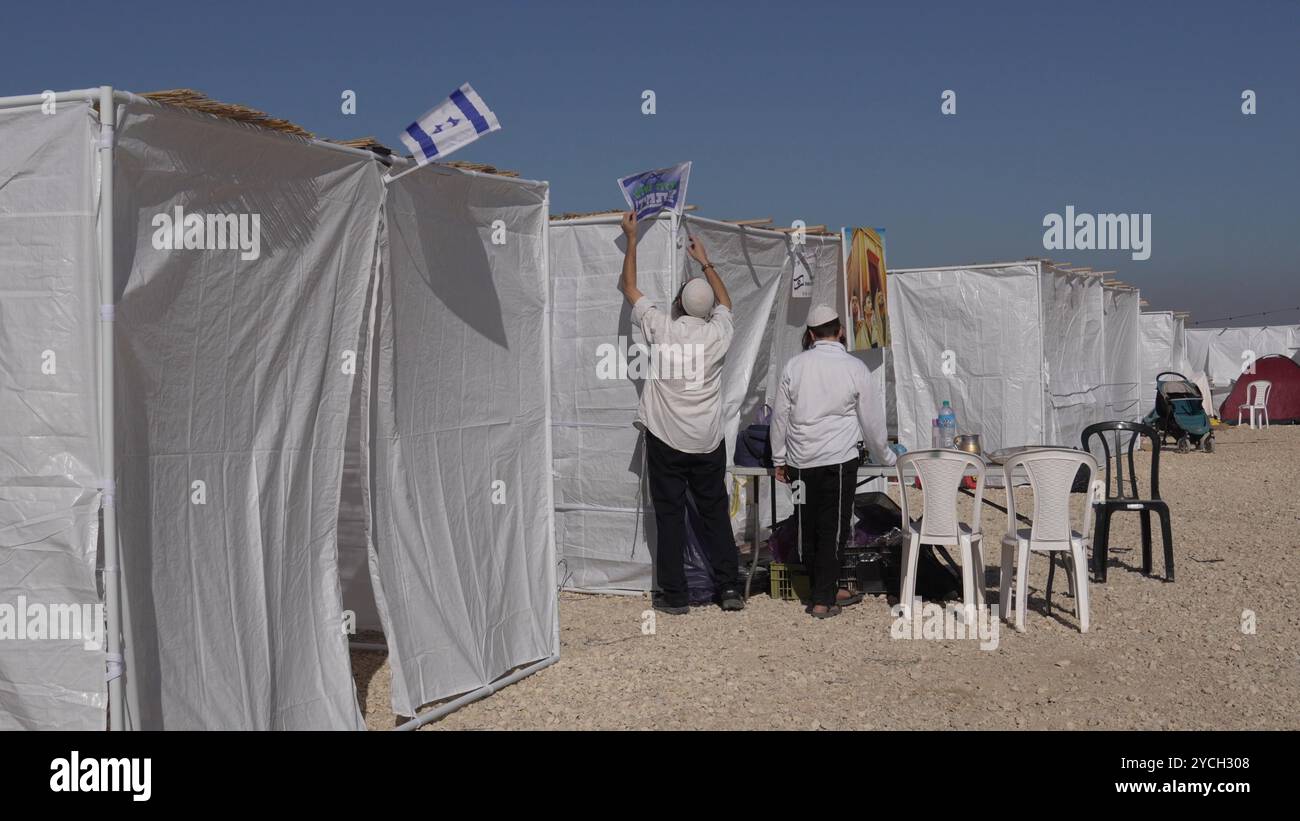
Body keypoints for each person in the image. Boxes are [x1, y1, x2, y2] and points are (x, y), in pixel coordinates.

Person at [619, 211, 743, 614]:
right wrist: (705, 261)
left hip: (666, 438)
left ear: (677, 304)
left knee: (670, 517)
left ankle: (674, 597)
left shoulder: (663, 327)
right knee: (715, 515)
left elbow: (629, 287)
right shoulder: (717, 334)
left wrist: (632, 237)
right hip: (707, 440)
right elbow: (726, 303)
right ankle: (729, 588)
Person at [770, 305, 896, 619]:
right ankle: (823, 600)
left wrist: (778, 459)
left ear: (811, 334)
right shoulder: (855, 368)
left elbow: (779, 417)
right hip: (839, 461)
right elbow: (872, 422)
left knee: (806, 525)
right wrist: (886, 457)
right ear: (840, 331)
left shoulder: (794, 366)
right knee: (834, 529)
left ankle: (820, 589)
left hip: (800, 461)